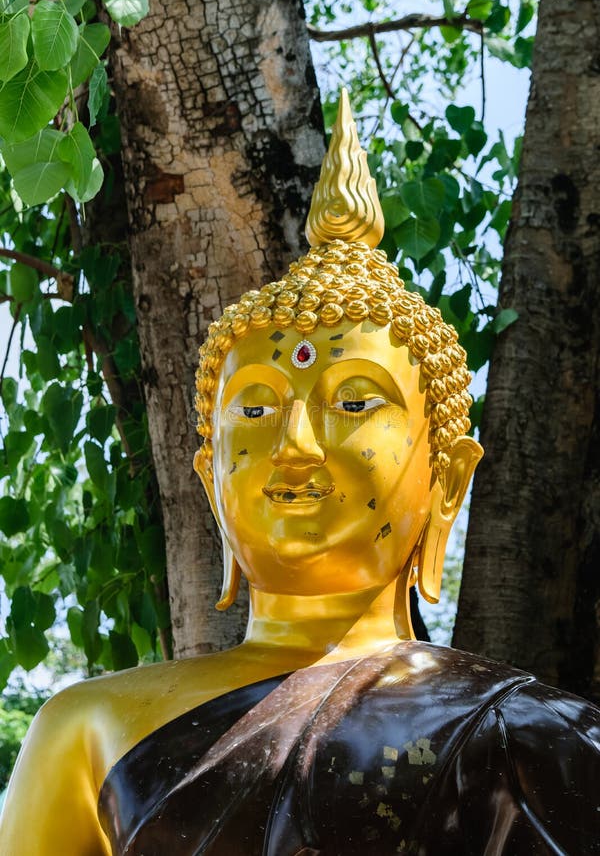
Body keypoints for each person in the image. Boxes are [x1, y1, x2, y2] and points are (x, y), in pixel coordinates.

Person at [0, 91, 598, 856]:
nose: (296, 444)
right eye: (254, 409)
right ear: (210, 480)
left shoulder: (535, 737)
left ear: (445, 480)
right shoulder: (91, 730)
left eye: (353, 401)